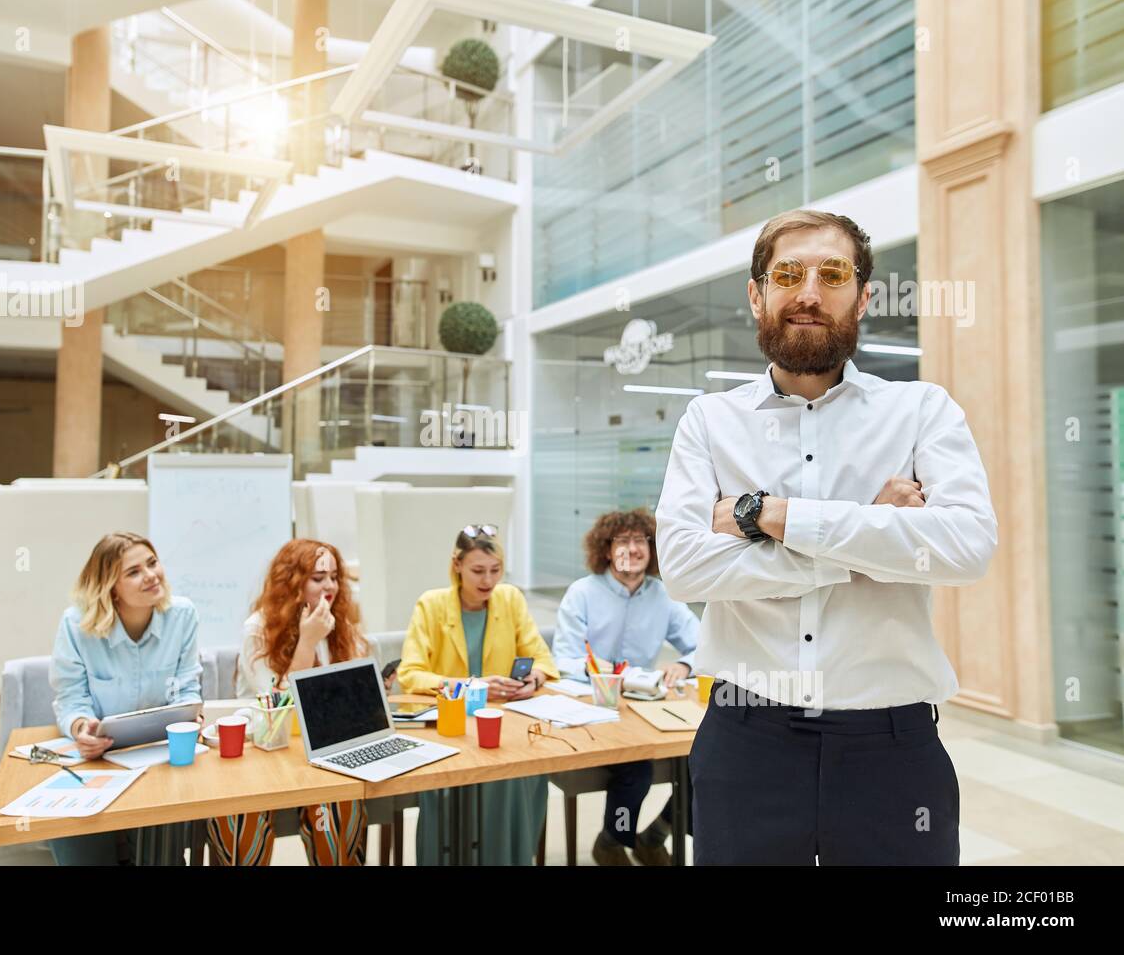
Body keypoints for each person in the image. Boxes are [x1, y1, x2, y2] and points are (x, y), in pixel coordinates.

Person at [655, 209, 997, 865]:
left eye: (832, 274)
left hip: (893, 752)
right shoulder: (709, 421)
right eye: (788, 274)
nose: (809, 292)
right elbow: (688, 569)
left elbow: (966, 546)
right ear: (757, 294)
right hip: (744, 743)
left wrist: (772, 516)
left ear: (863, 296)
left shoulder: (923, 410)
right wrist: (870, 529)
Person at [399, 524, 559, 865]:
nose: (488, 581)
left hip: (502, 724)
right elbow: (410, 674)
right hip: (451, 726)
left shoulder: (510, 599)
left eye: (495, 570)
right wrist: (475, 685)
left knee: (519, 773)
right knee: (467, 776)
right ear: (456, 565)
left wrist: (533, 677)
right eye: (477, 571)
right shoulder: (431, 605)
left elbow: (543, 658)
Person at [207, 539, 371, 866]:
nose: (330, 586)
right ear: (293, 583)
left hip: (318, 751)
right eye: (318, 577)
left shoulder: (339, 624)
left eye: (334, 576)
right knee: (239, 817)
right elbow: (275, 710)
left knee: (338, 809)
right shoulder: (258, 629)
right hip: (263, 749)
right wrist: (307, 643)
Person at [552, 507, 699, 866]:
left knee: (706, 762)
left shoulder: (662, 594)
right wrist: (594, 669)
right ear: (606, 550)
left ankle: (657, 834)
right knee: (637, 770)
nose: (632, 549)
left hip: (646, 705)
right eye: (623, 542)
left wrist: (683, 664)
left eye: (641, 541)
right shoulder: (581, 593)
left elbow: (704, 643)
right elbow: (563, 661)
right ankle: (613, 840)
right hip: (597, 707)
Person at [49, 531, 203, 866]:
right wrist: (80, 729)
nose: (151, 575)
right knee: (80, 843)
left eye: (152, 563)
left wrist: (192, 715)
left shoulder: (182, 615)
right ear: (110, 588)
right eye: (133, 572)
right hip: (98, 762)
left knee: (163, 850)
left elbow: (188, 687)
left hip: (158, 758)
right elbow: (71, 698)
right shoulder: (75, 625)